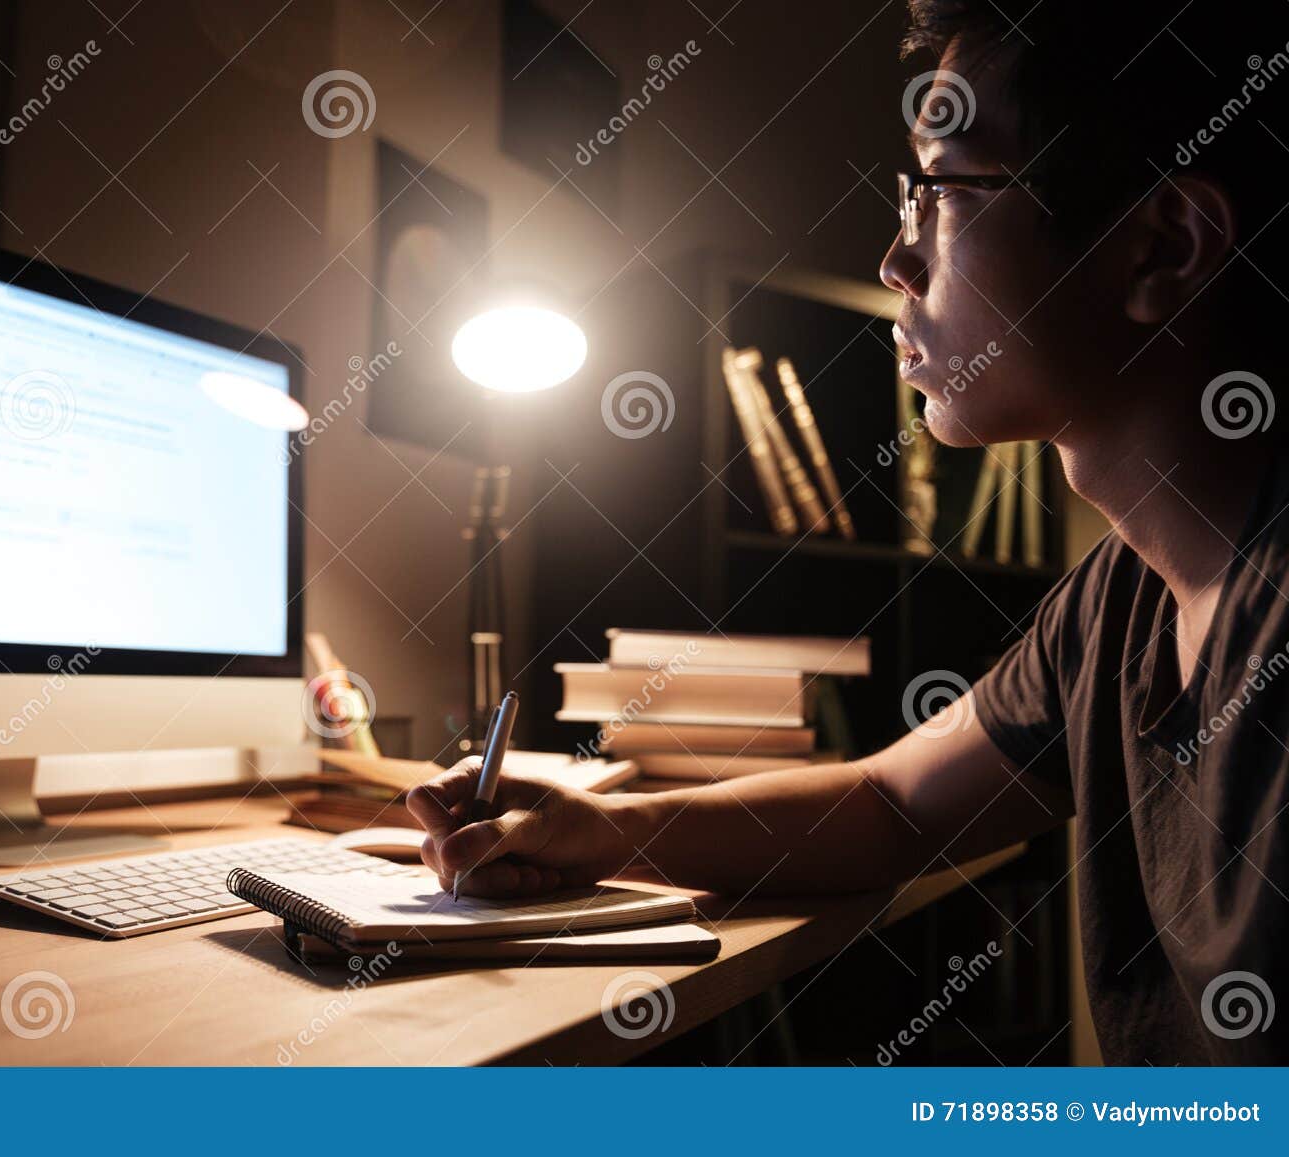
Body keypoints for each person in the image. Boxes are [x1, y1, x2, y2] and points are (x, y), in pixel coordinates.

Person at [410, 1, 1289, 1064]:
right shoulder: (1117, 602)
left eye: (942, 193)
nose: (895, 262)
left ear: (1163, 247)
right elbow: (892, 802)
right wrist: (605, 828)